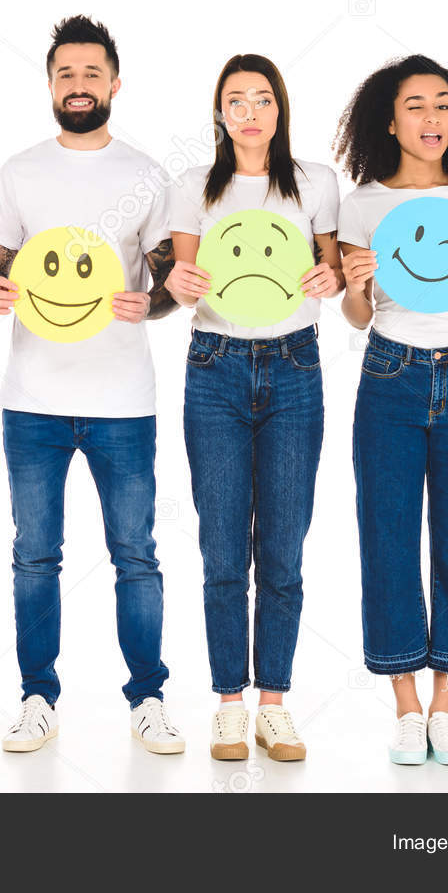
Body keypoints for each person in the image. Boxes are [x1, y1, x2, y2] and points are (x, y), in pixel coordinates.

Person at [0, 15, 185, 754]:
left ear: (115, 83)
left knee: (136, 552)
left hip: (123, 402)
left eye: (92, 73)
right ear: (50, 84)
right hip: (32, 399)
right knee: (35, 554)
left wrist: (152, 302)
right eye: (66, 74)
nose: (78, 85)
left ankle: (149, 698)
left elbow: (170, 284)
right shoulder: (19, 172)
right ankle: (37, 697)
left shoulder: (145, 175)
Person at [333, 53, 448, 766]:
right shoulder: (362, 205)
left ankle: (447, 708)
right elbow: (354, 313)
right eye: (416, 105)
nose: (431, 118)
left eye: (442, 104)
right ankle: (405, 708)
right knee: (388, 538)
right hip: (389, 373)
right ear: (390, 119)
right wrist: (355, 282)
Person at [165, 54, 342, 762]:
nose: (249, 111)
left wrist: (329, 275)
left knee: (285, 544)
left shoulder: (315, 185)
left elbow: (331, 269)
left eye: (261, 98)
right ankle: (228, 705)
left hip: (295, 366)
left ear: (280, 109)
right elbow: (181, 284)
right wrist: (178, 280)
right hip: (215, 367)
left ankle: (275, 702)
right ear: (219, 114)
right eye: (235, 100)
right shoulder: (193, 189)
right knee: (221, 546)